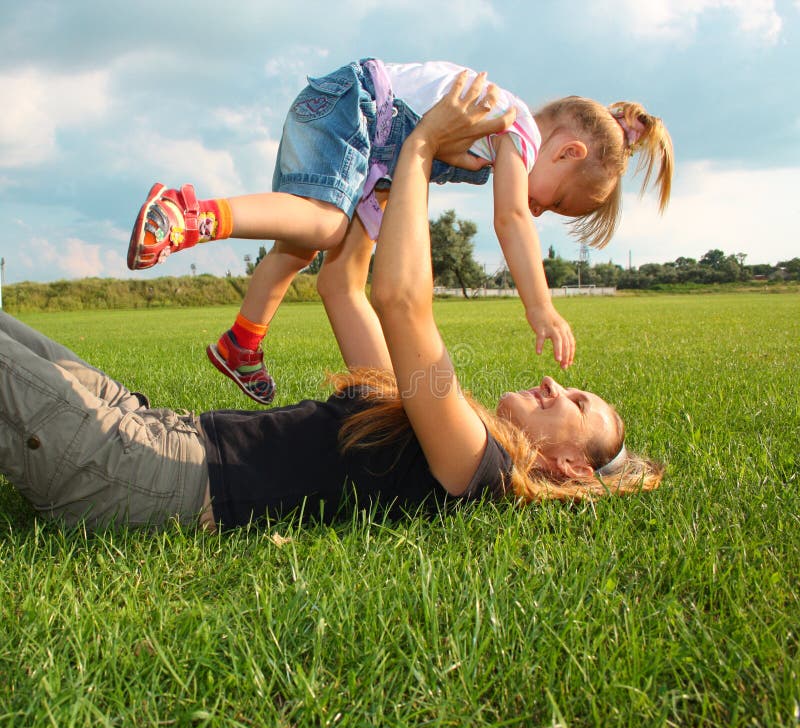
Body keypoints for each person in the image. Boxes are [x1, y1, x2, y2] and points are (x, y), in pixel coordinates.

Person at [0, 75, 663, 533]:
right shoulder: (435, 407)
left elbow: (401, 302)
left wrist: (422, 147)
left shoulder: (474, 463)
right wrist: (377, 181)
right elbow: (342, 287)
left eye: (576, 404)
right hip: (151, 429)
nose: (556, 384)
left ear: (568, 465)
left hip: (143, 476)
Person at [126, 59, 674, 404]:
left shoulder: (501, 132)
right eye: (553, 200)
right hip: (361, 111)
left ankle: (244, 342)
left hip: (373, 149)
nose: (538, 212)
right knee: (322, 223)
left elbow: (428, 159)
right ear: (565, 151)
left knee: (306, 251)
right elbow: (508, 219)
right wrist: (541, 306)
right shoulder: (519, 131)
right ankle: (188, 214)